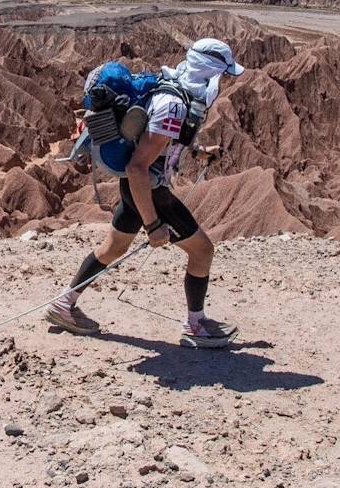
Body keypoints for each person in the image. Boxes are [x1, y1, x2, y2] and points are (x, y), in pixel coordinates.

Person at [45, 38, 245, 348]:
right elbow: (139, 166)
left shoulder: (174, 89)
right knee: (202, 251)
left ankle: (63, 305)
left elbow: (161, 140)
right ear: (211, 73)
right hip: (148, 190)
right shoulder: (174, 104)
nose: (227, 81)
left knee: (112, 249)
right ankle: (196, 325)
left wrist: (198, 150)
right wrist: (153, 224)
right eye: (225, 75)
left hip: (136, 187)